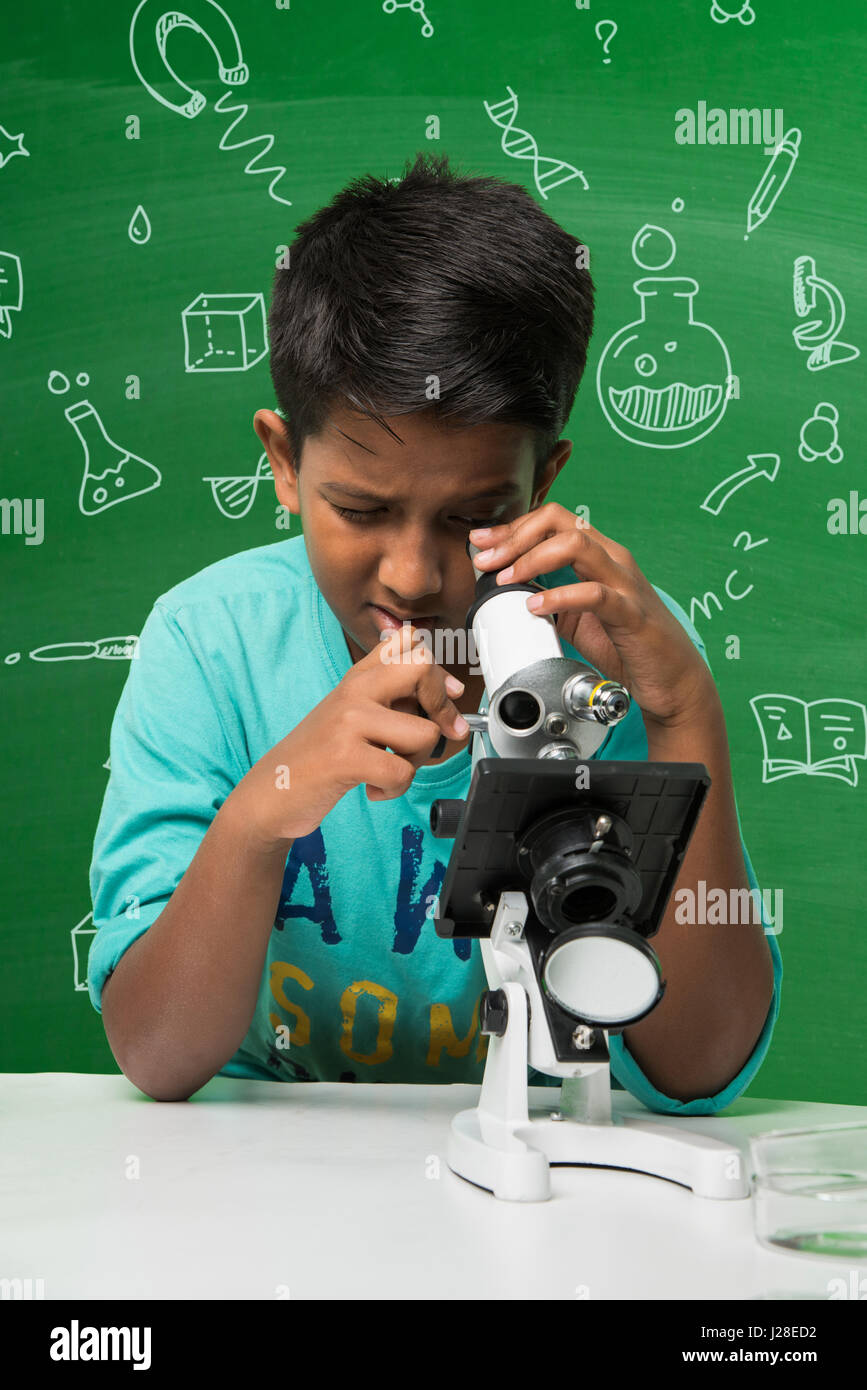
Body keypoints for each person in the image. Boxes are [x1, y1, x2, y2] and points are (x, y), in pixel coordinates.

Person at [88, 152, 782, 1108]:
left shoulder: (620, 666)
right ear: (284, 463)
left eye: (469, 518)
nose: (412, 577)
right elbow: (157, 1054)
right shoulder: (210, 646)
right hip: (261, 1190)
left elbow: (697, 1068)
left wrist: (684, 719)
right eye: (361, 510)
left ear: (544, 485)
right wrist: (266, 807)